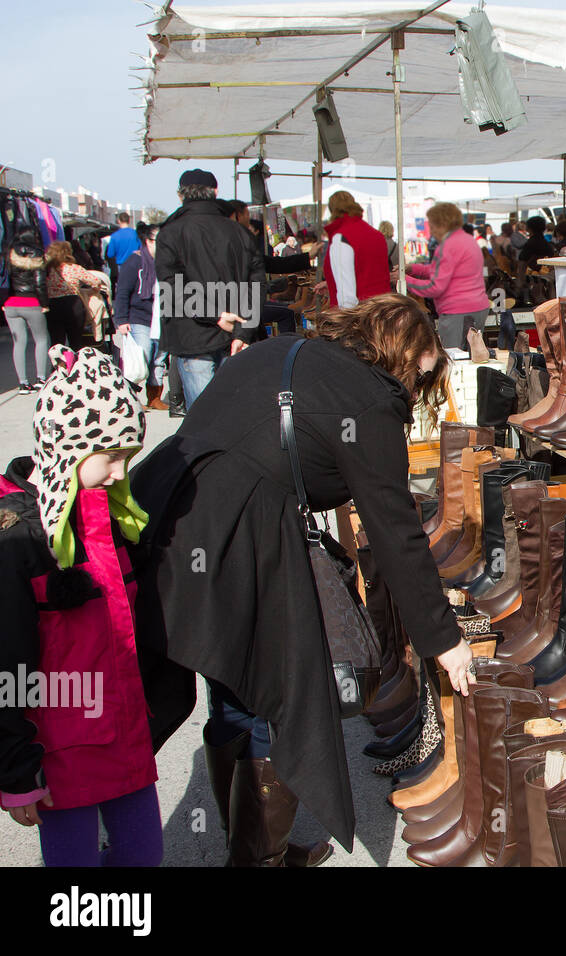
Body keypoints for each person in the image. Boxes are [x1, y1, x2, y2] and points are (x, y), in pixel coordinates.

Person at [130, 293, 472, 864]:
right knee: (278, 694)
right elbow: (396, 534)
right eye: (423, 371)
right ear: (408, 354)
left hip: (168, 505)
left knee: (232, 688)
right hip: (234, 532)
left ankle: (256, 847)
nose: (418, 387)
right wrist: (445, 640)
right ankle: (256, 858)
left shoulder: (284, 350)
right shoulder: (368, 399)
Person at [0, 346, 165, 866]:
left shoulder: (109, 517)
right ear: (70, 448)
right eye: (111, 456)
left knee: (143, 856)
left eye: (127, 458)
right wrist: (16, 769)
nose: (120, 473)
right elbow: (7, 658)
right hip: (59, 750)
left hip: (124, 736)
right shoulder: (20, 538)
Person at [154, 169, 264, 410]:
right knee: (231, 417)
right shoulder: (240, 233)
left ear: (181, 195)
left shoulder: (170, 233)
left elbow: (172, 286)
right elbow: (256, 284)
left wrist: (219, 317)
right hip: (230, 334)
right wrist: (243, 330)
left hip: (193, 337)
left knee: (203, 419)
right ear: (214, 192)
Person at [405, 202, 491, 349]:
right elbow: (439, 270)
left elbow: (435, 287)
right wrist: (413, 269)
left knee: (454, 360)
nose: (431, 231)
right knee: (473, 357)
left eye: (431, 225)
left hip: (457, 312)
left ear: (440, 224)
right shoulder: (468, 240)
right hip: (478, 307)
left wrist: (404, 280)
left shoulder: (447, 246)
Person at [113, 224, 169, 411]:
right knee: (141, 355)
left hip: (161, 317)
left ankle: (154, 397)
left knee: (159, 358)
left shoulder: (167, 262)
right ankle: (130, 396)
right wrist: (121, 319)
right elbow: (122, 292)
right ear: (147, 241)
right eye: (156, 241)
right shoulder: (134, 262)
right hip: (139, 317)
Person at [319, 192, 389, 309]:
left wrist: (346, 319)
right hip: (382, 308)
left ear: (332, 210)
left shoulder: (342, 237)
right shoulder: (376, 234)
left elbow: (346, 294)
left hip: (360, 314)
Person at [4, 229, 51, 394]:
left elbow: (6, 279)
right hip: (32, 303)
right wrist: (44, 304)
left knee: (19, 342)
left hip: (11, 304)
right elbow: (40, 284)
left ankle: (23, 383)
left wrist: (4, 301)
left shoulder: (9, 254)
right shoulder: (37, 254)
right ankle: (40, 379)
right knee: (41, 339)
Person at [44, 241, 108, 351]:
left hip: (53, 305)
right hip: (73, 304)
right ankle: (75, 364)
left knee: (56, 342)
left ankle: (59, 365)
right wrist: (93, 290)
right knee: (76, 340)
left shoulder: (47, 270)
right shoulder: (73, 268)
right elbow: (95, 281)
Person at [103, 212, 141, 285]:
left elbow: (110, 254)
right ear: (129, 220)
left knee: (124, 290)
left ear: (118, 220)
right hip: (135, 266)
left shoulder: (114, 236)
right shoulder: (135, 234)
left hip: (122, 267)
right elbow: (141, 249)